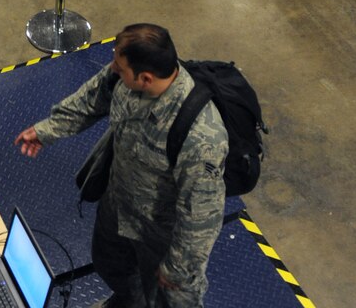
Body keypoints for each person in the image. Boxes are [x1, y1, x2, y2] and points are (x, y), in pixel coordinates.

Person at [14, 23, 227, 308]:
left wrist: (177, 267)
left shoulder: (201, 137)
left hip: (162, 236)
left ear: (146, 79)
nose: (112, 67)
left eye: (120, 65)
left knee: (170, 302)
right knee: (110, 266)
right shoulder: (124, 79)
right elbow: (90, 100)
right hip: (118, 207)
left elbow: (201, 216)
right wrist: (47, 130)